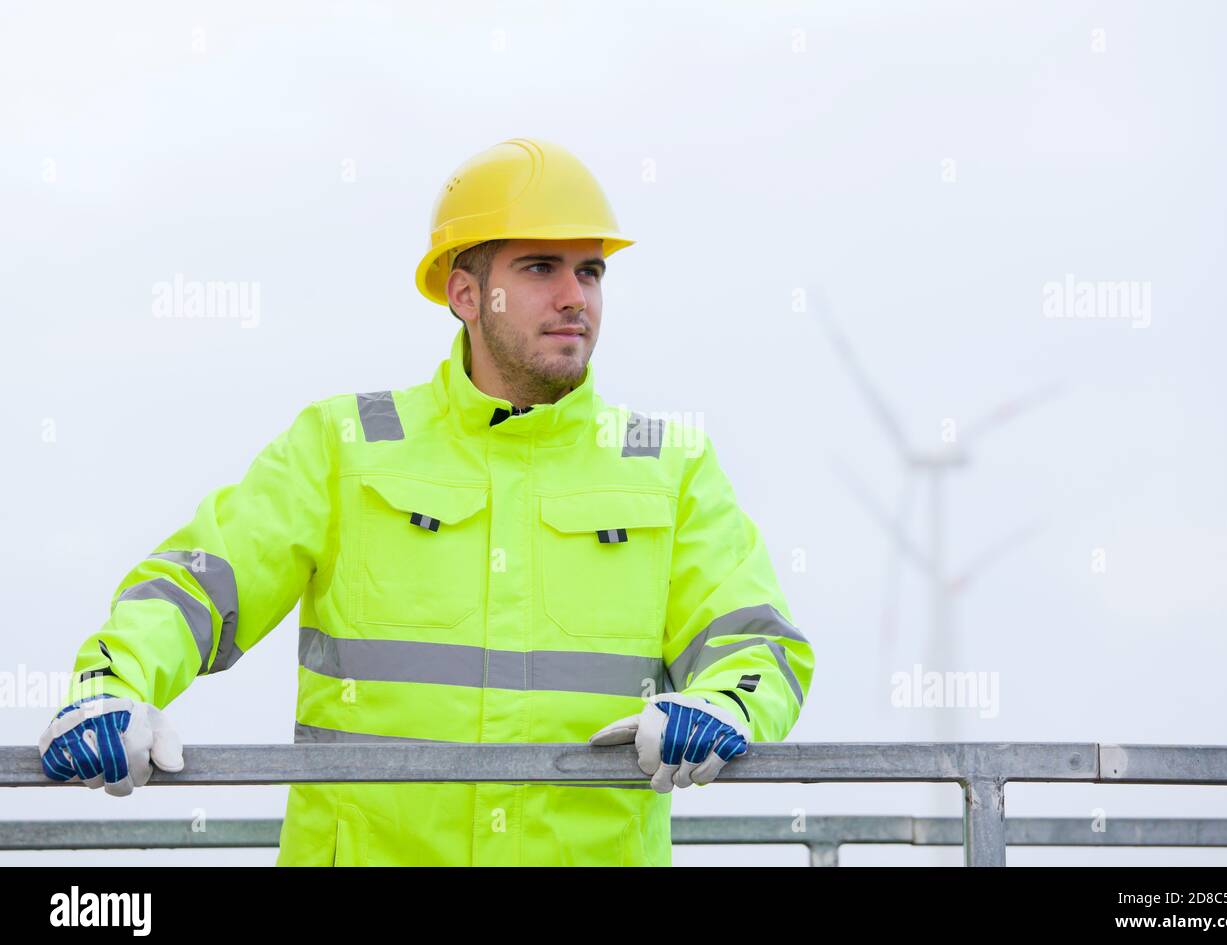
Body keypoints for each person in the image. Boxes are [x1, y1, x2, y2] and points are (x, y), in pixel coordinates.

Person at [38, 137, 815, 866]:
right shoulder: (346, 445)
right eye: (542, 268)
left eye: (592, 272)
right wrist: (114, 684)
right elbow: (200, 582)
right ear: (465, 294)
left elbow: (755, 643)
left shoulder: (668, 465)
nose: (575, 296)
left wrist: (727, 707)